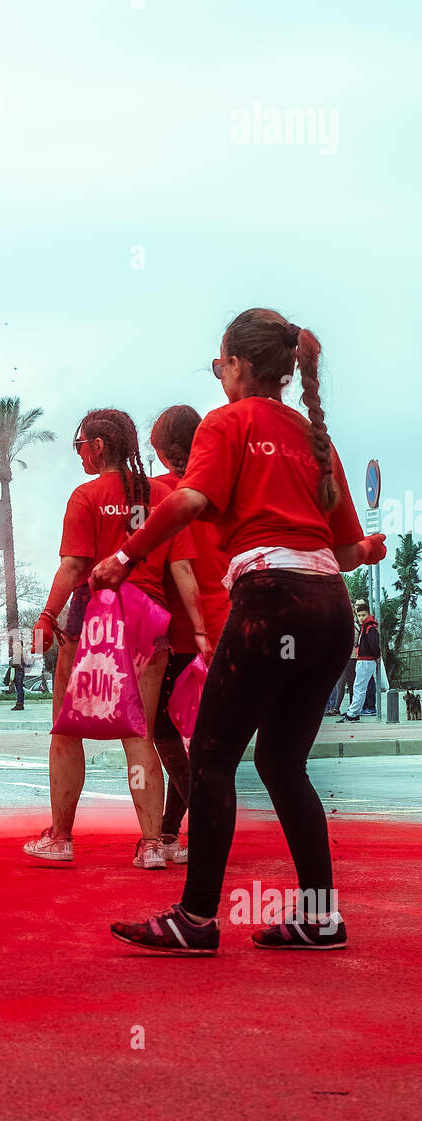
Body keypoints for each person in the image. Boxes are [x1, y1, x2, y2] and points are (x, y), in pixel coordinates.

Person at [91, 309, 386, 952]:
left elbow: (193, 500)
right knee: (284, 763)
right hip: (330, 609)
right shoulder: (314, 435)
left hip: (269, 600)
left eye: (220, 362)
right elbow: (343, 551)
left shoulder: (226, 422)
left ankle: (196, 920)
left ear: (242, 366)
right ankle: (320, 917)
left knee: (213, 760)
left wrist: (125, 555)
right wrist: (369, 551)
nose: (219, 373)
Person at [24, 408, 207, 869]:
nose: (80, 454)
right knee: (139, 732)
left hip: (94, 617)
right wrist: (201, 632)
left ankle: (61, 838)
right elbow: (183, 570)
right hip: (149, 622)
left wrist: (47, 616)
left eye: (80, 445)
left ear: (99, 446)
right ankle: (152, 844)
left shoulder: (86, 495)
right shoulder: (165, 495)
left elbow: (73, 566)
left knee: (67, 730)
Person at [149, 405, 231, 864]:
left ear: (159, 450)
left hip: (179, 634)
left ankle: (206, 820)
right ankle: (168, 831)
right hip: (225, 627)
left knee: (163, 729)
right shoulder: (220, 491)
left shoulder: (161, 492)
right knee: (198, 738)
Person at [339, 602, 381, 723]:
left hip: (366, 661)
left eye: (363, 615)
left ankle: (353, 713)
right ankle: (354, 712)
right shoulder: (367, 627)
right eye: (359, 615)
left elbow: (374, 644)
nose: (361, 618)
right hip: (364, 660)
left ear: (368, 614)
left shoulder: (369, 627)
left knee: (359, 687)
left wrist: (376, 656)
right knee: (359, 687)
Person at [323, 601, 363, 715]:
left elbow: (354, 641)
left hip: (352, 657)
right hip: (344, 657)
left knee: (350, 683)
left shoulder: (355, 625)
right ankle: (337, 708)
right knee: (341, 683)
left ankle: (350, 708)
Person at [9, 630, 26, 710]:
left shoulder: (17, 655)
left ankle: (19, 704)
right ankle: (20, 704)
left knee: (19, 689)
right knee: (20, 689)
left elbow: (13, 664)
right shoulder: (23, 655)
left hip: (18, 673)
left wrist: (11, 661)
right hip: (21, 672)